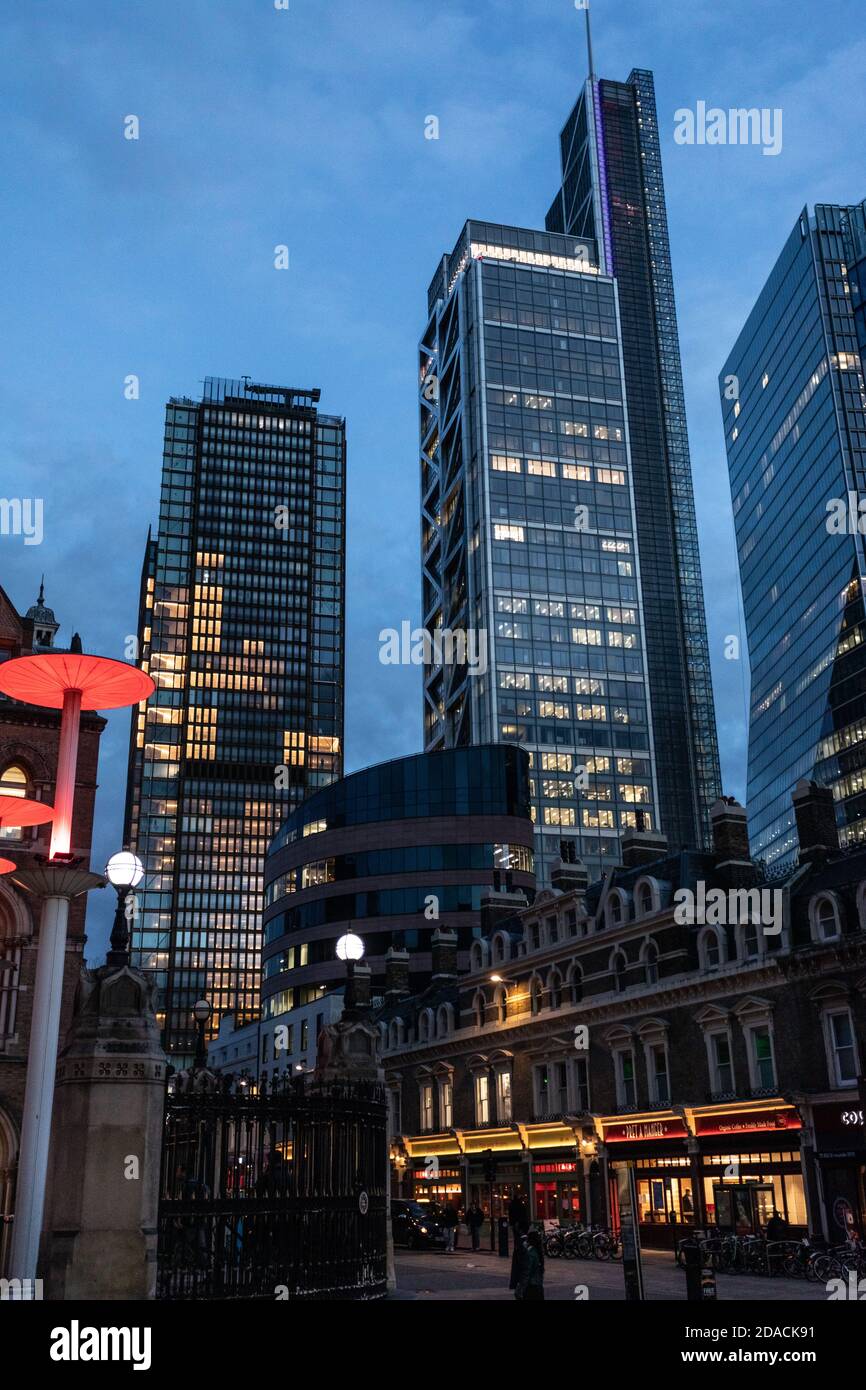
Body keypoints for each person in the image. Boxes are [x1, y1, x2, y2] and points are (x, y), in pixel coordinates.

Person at [515, 1228, 545, 1301]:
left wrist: (520, 1288)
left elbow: (527, 1272)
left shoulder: (530, 1253)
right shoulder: (538, 1252)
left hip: (531, 1287)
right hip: (538, 1286)